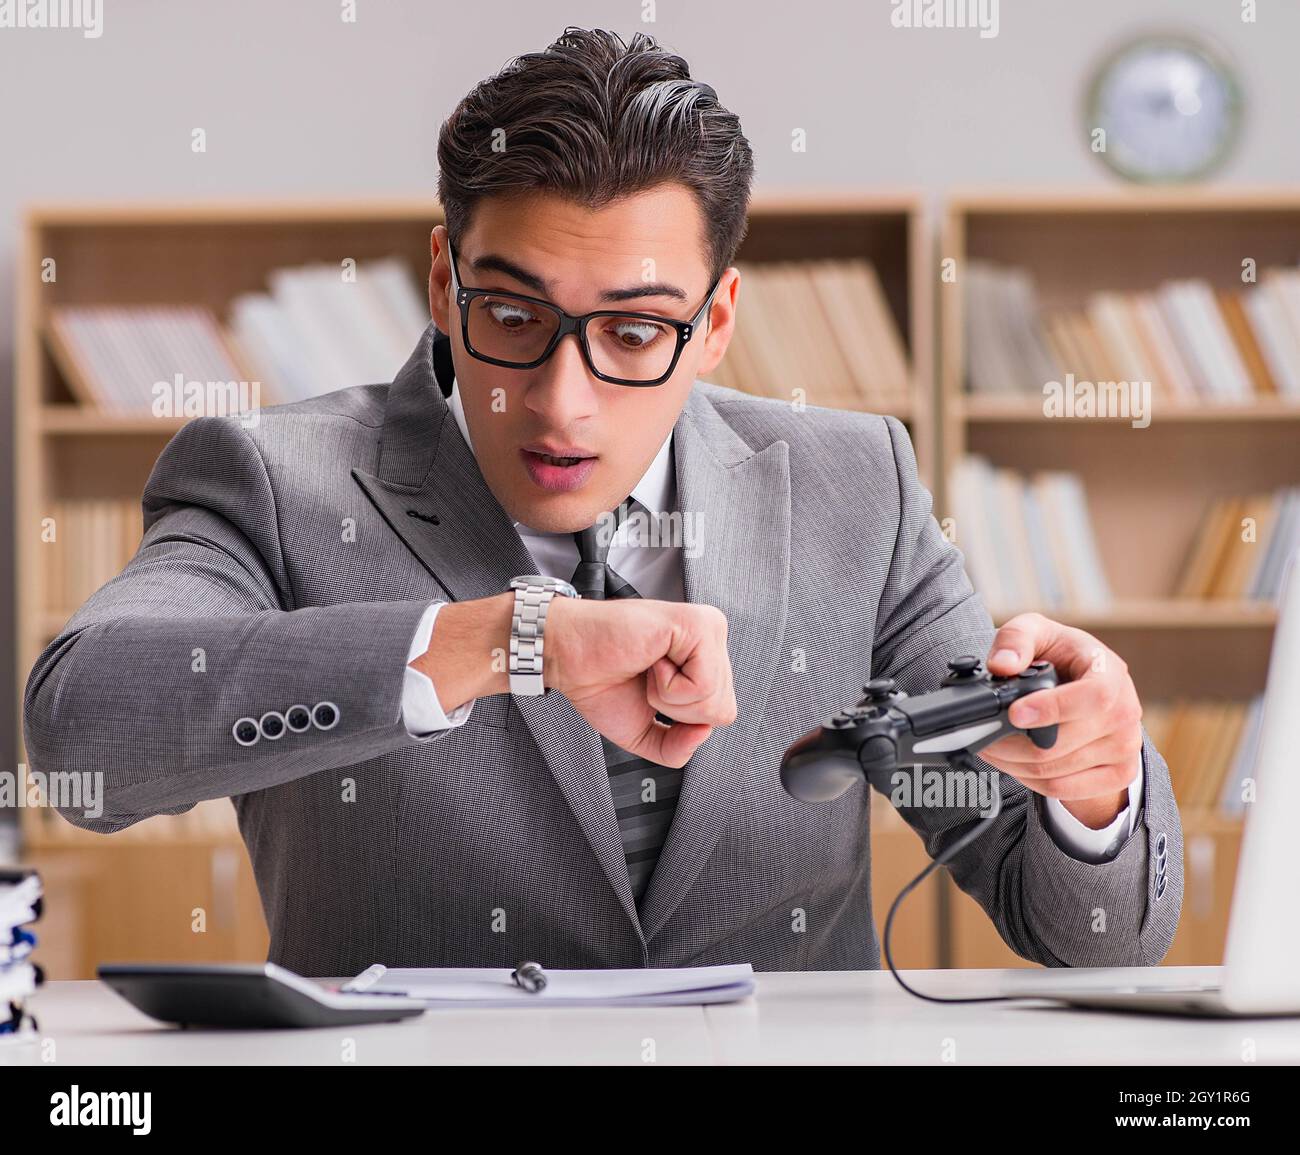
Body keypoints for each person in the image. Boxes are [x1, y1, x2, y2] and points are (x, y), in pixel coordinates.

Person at [23, 27, 1180, 975]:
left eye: (633, 331)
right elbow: (87, 730)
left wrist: (1096, 789)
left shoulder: (853, 488)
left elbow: (1089, 936)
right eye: (514, 317)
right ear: (443, 281)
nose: (562, 403)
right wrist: (503, 640)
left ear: (716, 323)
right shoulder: (277, 480)